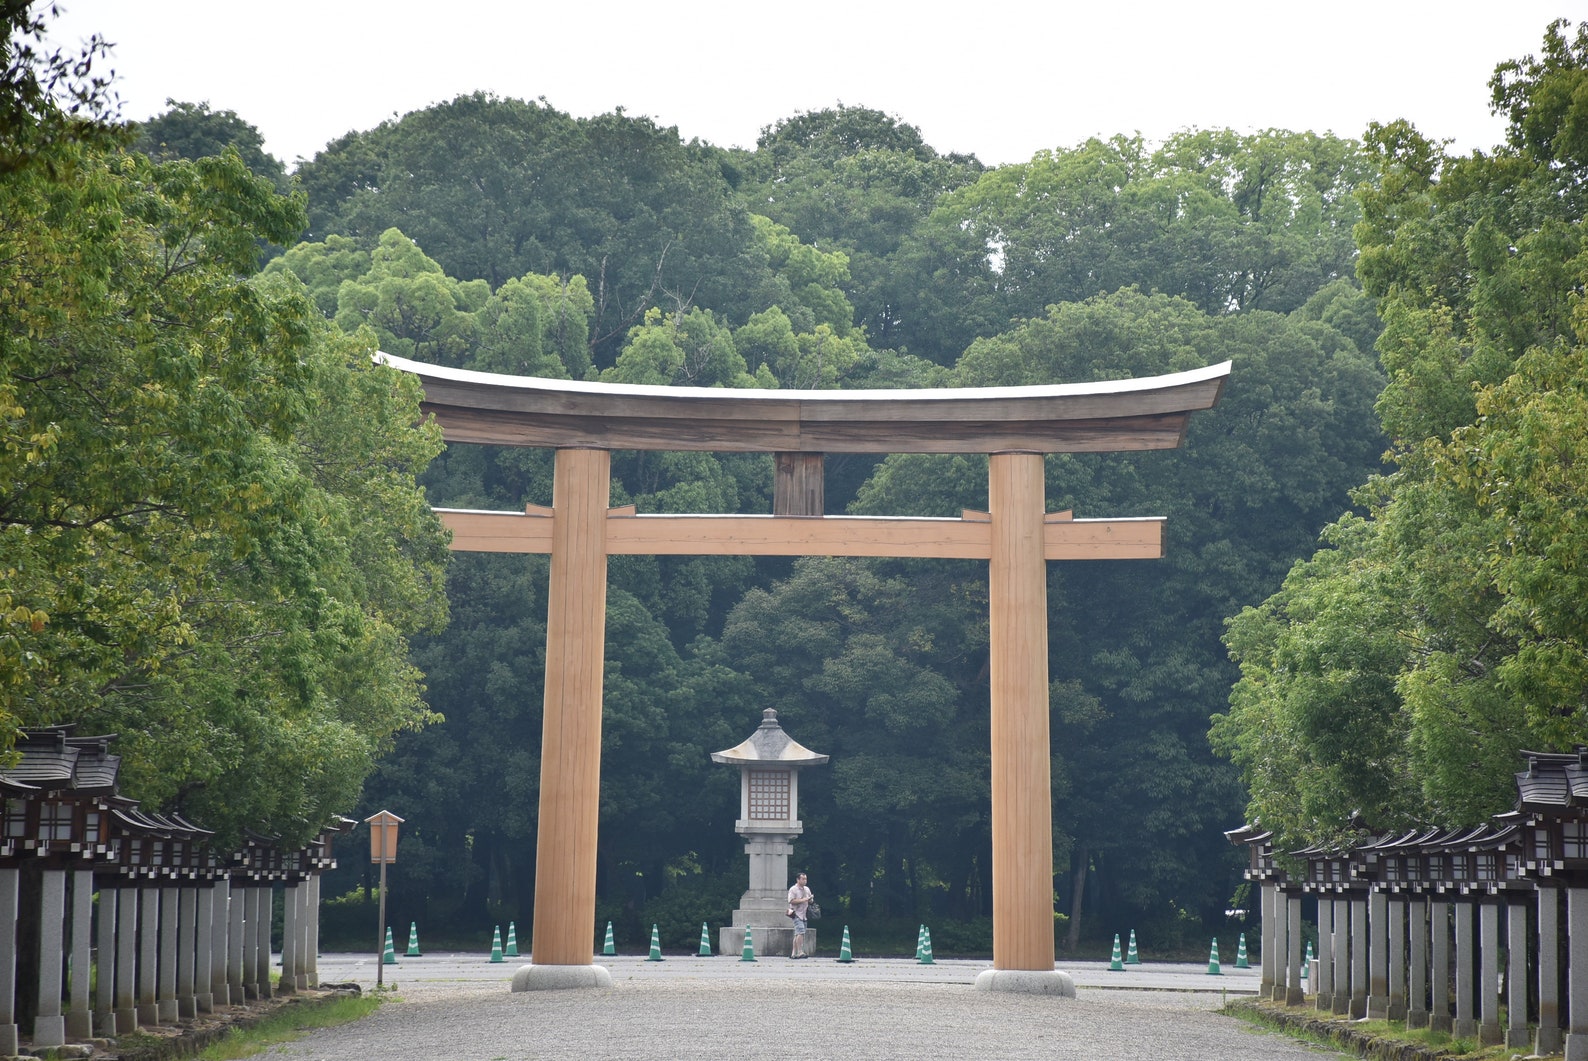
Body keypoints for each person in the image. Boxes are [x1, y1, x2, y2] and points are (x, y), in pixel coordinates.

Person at [787, 871, 813, 958]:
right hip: (796, 913)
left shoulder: (807, 889)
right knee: (801, 932)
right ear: (798, 880)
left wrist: (810, 899)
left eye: (806, 879)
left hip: (804, 914)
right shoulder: (793, 889)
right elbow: (791, 901)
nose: (805, 881)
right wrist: (803, 900)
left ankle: (793, 953)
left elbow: (810, 900)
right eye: (803, 879)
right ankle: (800, 951)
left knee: (798, 933)